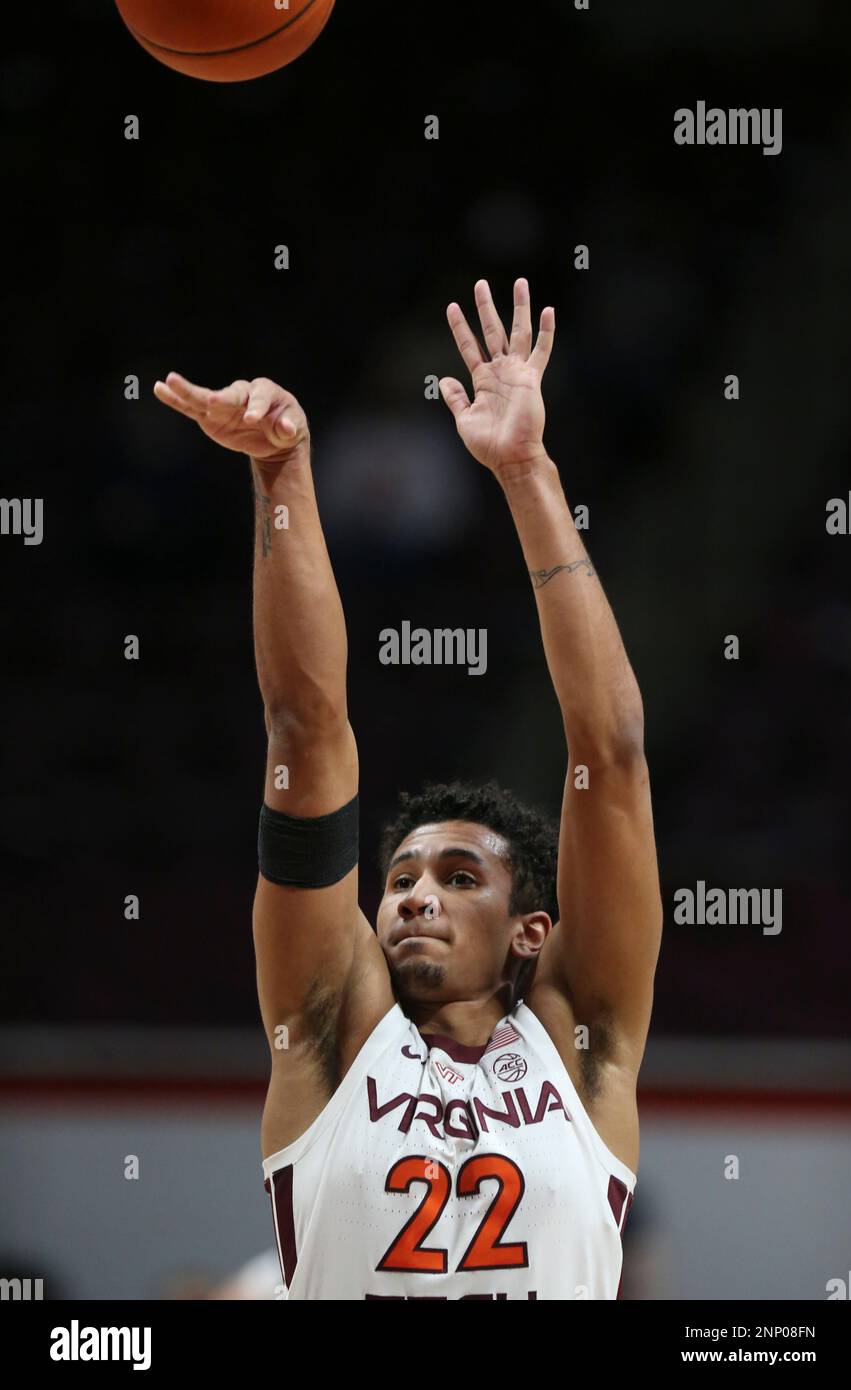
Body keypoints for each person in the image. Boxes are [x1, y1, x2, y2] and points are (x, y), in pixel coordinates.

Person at [154, 278, 663, 1300]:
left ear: (529, 929)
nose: (414, 892)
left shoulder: (582, 1048)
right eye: (398, 876)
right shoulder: (333, 1035)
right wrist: (281, 473)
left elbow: (605, 754)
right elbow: (306, 727)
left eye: (459, 873)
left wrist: (524, 471)